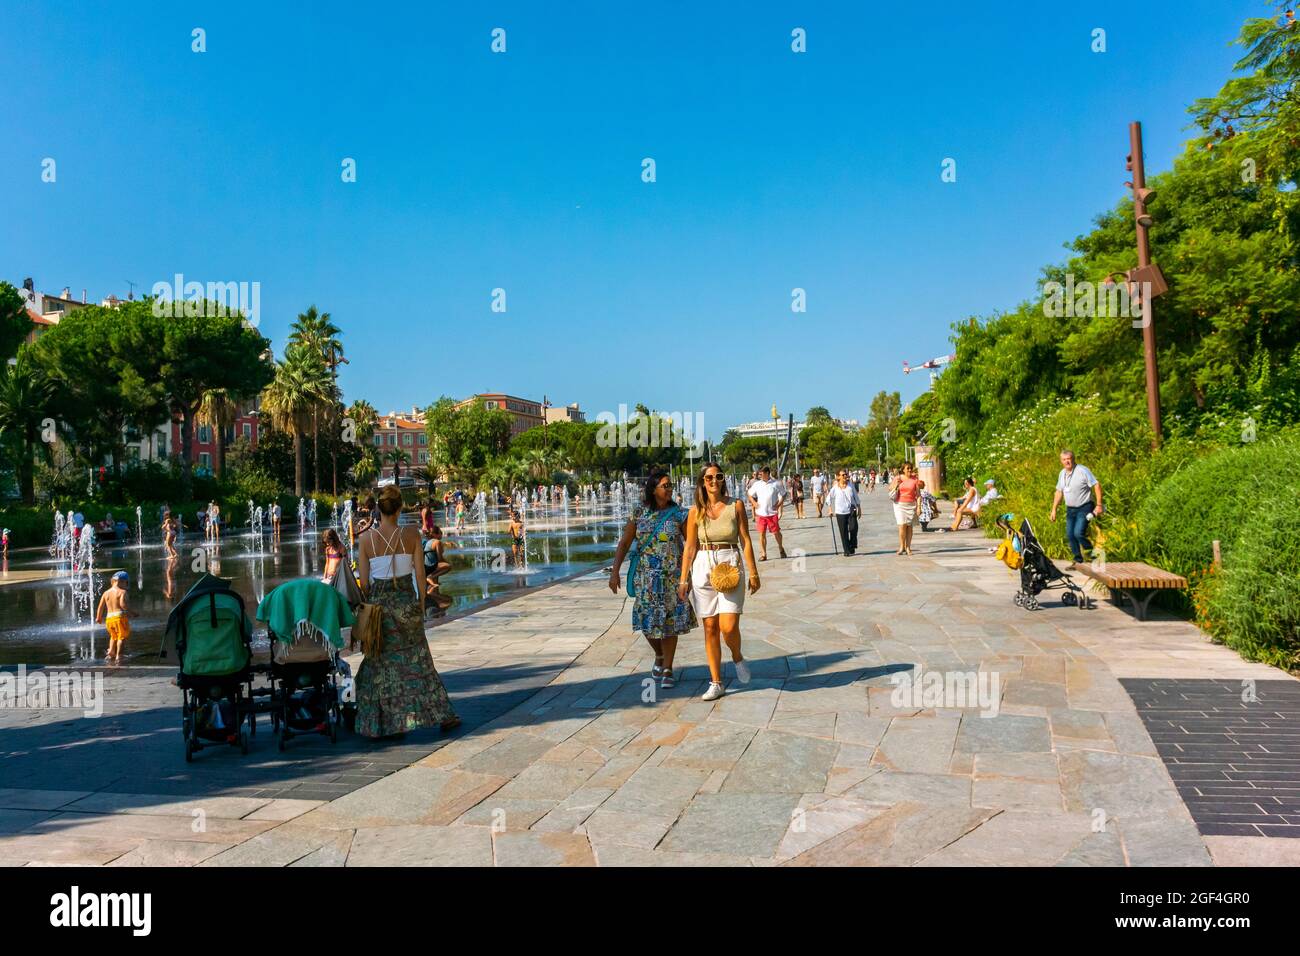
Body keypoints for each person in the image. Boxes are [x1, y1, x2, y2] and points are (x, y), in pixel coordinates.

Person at [355, 484, 459, 737]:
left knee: (381, 665)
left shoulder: (366, 539)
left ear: (378, 509)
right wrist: (421, 604)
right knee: (418, 662)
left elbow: (364, 583)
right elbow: (420, 574)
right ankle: (443, 715)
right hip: (406, 605)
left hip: (379, 611)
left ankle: (385, 723)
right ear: (399, 509)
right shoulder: (411, 533)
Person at [678, 463, 759, 701]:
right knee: (710, 627)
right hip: (703, 564)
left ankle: (736, 656)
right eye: (709, 478)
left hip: (729, 563)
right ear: (702, 482)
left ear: (723, 479)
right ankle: (716, 682)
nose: (714, 481)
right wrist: (683, 579)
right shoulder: (695, 511)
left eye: (718, 476)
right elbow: (689, 547)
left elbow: (745, 540)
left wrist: (754, 572)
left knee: (728, 626)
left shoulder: (736, 505)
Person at [609, 471, 697, 689]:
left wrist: (688, 575)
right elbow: (624, 543)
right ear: (653, 489)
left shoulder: (680, 514)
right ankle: (659, 654)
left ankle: (668, 668)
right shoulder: (639, 513)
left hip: (673, 578)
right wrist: (615, 571)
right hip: (646, 579)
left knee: (670, 623)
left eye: (670, 485)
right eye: (665, 486)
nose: (669, 489)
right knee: (647, 623)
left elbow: (690, 546)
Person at [1050, 449, 1103, 563]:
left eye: (1069, 459)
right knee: (1070, 535)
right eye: (1064, 459)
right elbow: (1059, 492)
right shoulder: (1062, 473)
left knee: (1078, 533)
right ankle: (1078, 559)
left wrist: (1099, 505)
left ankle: (1094, 556)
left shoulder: (1082, 470)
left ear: (1073, 459)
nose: (1067, 462)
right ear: (1061, 461)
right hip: (1070, 509)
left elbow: (1096, 485)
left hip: (1085, 506)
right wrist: (1054, 509)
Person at [95, 571, 136, 662]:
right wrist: (132, 612)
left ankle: (111, 652)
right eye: (126, 583)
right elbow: (122, 604)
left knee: (113, 636)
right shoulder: (122, 592)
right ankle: (119, 655)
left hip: (109, 619)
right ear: (121, 581)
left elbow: (100, 607)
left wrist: (98, 617)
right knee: (121, 637)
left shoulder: (106, 593)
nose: (126, 585)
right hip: (119, 618)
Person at [748, 465, 787, 561]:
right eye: (759, 474)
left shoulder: (776, 483)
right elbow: (749, 494)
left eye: (761, 474)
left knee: (776, 533)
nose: (759, 475)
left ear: (767, 473)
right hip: (760, 514)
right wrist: (754, 503)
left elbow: (784, 494)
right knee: (761, 534)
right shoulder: (757, 484)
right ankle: (763, 554)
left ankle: (781, 548)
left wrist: (778, 504)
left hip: (772, 513)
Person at [825, 468, 860, 556]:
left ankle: (852, 545)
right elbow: (828, 498)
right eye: (843, 475)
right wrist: (830, 510)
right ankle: (846, 550)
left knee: (853, 528)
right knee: (843, 532)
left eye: (846, 474)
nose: (845, 476)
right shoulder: (835, 488)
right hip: (840, 513)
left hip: (851, 510)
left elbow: (856, 496)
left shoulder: (850, 485)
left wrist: (859, 508)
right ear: (838, 477)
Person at [890, 463, 923, 555]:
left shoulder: (915, 479)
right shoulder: (898, 478)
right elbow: (890, 488)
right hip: (899, 505)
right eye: (907, 468)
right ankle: (901, 547)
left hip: (911, 505)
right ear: (903, 469)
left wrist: (919, 507)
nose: (909, 470)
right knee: (902, 525)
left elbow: (918, 495)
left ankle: (908, 547)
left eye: (910, 468)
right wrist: (896, 485)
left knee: (909, 527)